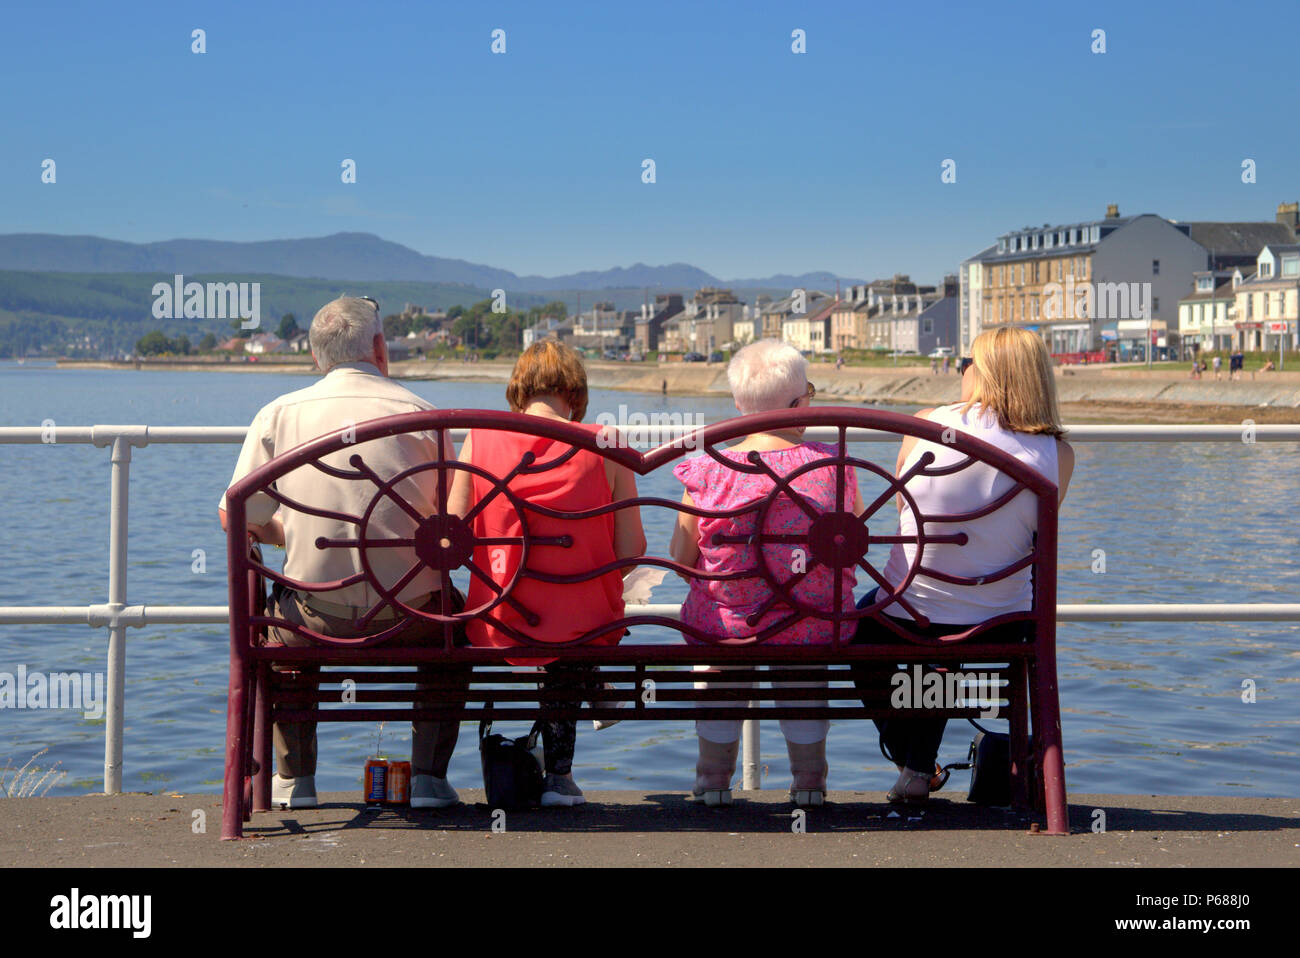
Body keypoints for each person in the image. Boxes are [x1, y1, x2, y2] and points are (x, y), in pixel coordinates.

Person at [218, 296, 468, 811]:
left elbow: (234, 515)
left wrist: (296, 534)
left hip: (314, 618)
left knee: (276, 619)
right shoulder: (424, 414)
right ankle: (427, 779)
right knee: (457, 621)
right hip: (411, 616)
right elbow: (450, 525)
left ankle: (295, 781)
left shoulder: (279, 414)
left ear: (316, 357)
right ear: (380, 348)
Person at [853, 326, 1074, 804]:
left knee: (863, 627)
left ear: (986, 372)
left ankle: (915, 767)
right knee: (941, 661)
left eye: (966, 362)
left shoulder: (924, 426)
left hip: (905, 618)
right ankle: (917, 768)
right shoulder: (1058, 454)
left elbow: (902, 515)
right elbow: (1038, 537)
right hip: (1003, 624)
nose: (962, 371)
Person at [448, 341, 646, 807]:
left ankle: (427, 777)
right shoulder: (606, 441)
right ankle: (560, 776)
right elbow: (632, 551)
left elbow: (452, 539)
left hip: (498, 620)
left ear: (519, 389)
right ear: (573, 391)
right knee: (582, 621)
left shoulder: (479, 437)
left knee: (540, 615)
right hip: (584, 626)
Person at [669, 339, 864, 808]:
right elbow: (854, 545)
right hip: (813, 624)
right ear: (801, 405)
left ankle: (713, 780)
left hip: (727, 625)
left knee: (717, 637)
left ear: (738, 404)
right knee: (802, 654)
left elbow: (679, 558)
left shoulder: (709, 468)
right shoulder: (832, 467)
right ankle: (809, 782)